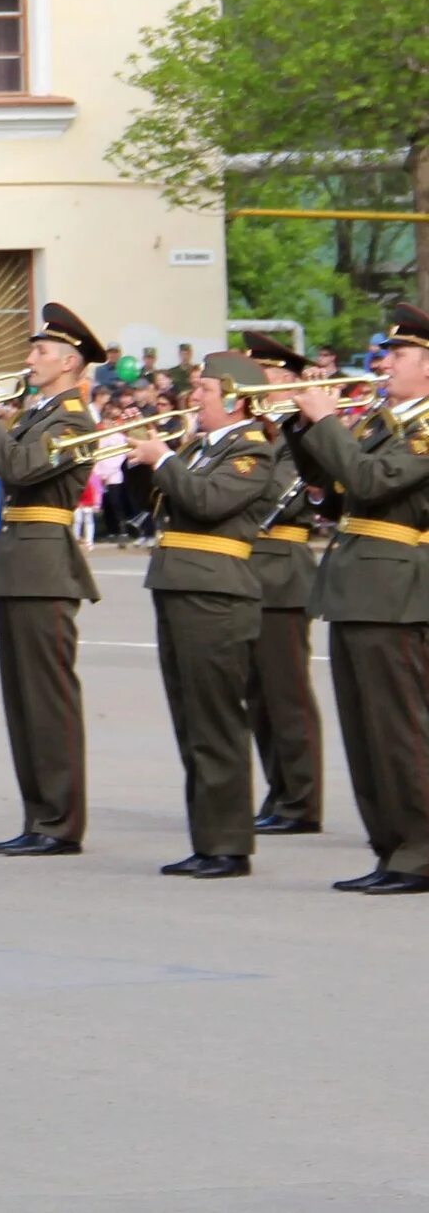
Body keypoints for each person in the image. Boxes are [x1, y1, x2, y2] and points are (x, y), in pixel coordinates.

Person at [0, 303, 105, 855]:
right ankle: (39, 815)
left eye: (40, 351)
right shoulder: (39, 413)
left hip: (46, 568)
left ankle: (61, 821)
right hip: (18, 565)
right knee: (22, 702)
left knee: (48, 700)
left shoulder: (74, 421)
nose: (29, 358)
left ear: (69, 363)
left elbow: (18, 469)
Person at [286, 305, 429, 893]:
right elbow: (333, 495)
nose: (384, 363)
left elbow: (372, 484)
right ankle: (390, 848)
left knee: (399, 731)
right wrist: (303, 428)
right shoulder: (382, 419)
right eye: (387, 353)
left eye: (399, 355)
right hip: (355, 585)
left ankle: (419, 853)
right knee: (364, 732)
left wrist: (328, 425)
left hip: (396, 590)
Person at [122, 352, 275, 877]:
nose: (196, 396)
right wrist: (145, 467)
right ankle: (208, 839)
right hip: (180, 585)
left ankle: (229, 845)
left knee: (216, 721)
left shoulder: (252, 451)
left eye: (207, 389)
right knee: (191, 721)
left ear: (236, 400)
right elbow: (166, 507)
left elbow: (207, 503)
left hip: (215, 595)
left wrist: (164, 460)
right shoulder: (200, 448)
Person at [235, 332, 325, 834]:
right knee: (259, 696)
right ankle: (280, 792)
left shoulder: (299, 430)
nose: (251, 381)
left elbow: (285, 496)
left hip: (283, 570)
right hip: (249, 569)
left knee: (286, 694)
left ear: (287, 381)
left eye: (262, 373)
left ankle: (302, 801)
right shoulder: (257, 429)